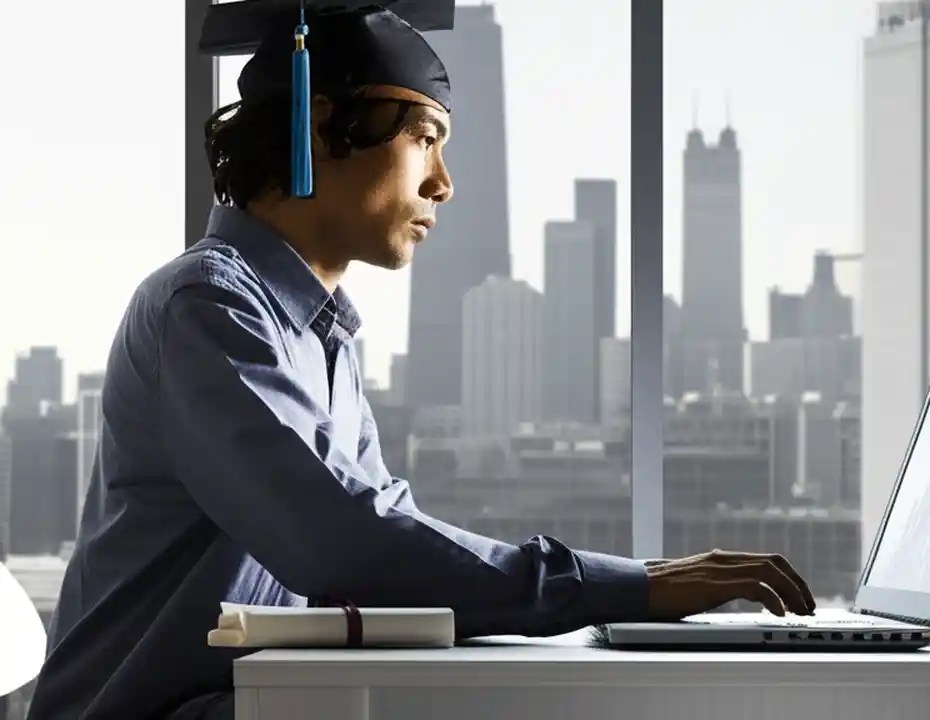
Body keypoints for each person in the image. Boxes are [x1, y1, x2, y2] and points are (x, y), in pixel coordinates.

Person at [24, 3, 815, 719]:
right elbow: (346, 545)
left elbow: (388, 545)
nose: (442, 182)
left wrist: (625, 589)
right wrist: (632, 586)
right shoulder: (208, 310)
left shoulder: (319, 334)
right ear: (322, 125)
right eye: (425, 139)